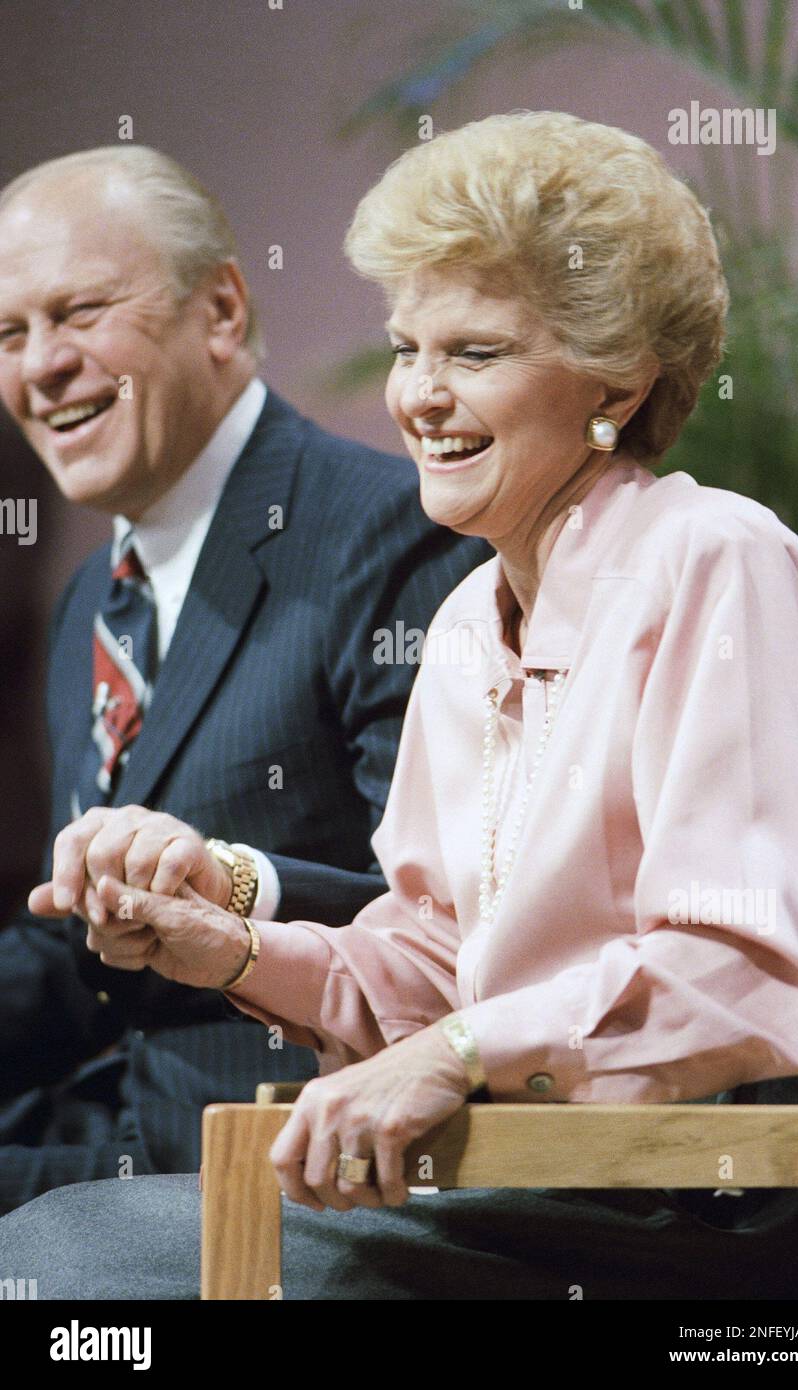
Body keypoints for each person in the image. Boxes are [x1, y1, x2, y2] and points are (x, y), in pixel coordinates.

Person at [2, 111, 798, 1300]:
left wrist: (456, 1054)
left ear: (617, 373)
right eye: (408, 347)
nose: (418, 396)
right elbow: (430, 964)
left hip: (680, 1200)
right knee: (57, 1244)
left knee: (61, 1256)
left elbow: (747, 971)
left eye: (476, 353)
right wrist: (234, 946)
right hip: (503, 1179)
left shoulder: (716, 561)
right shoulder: (462, 621)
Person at [0, 145, 489, 1216]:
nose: (41, 365)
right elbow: (81, 947)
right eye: (10, 332)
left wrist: (224, 886)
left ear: (220, 308)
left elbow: (453, 928)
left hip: (281, 1160)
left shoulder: (388, 536)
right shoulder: (89, 596)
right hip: (105, 1131)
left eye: (79, 311)